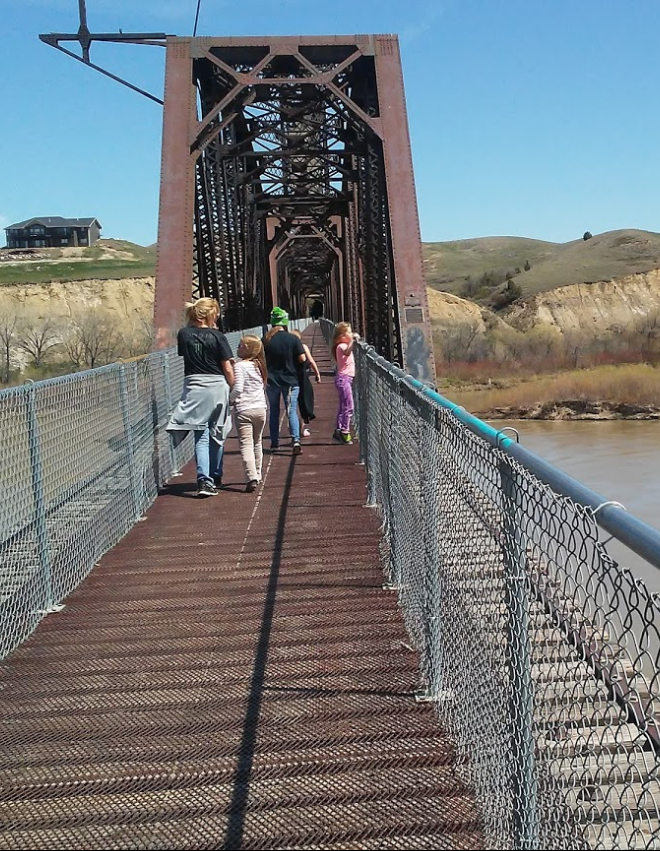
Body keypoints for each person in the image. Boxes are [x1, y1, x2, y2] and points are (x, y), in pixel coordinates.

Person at [166, 298, 234, 497]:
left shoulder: (184, 334)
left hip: (194, 387)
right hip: (217, 387)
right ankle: (216, 474)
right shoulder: (218, 336)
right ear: (210, 314)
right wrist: (232, 388)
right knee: (218, 433)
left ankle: (204, 480)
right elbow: (227, 368)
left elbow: (187, 354)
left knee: (200, 435)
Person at [263, 307, 306, 455]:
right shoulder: (292, 339)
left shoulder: (266, 340)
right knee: (291, 410)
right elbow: (302, 359)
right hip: (290, 381)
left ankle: (274, 443)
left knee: (274, 411)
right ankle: (295, 440)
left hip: (271, 381)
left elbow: (261, 360)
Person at [230, 335, 267, 493]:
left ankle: (251, 476)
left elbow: (238, 388)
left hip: (244, 409)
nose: (237, 347)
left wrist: (230, 400)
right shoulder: (259, 365)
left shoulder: (240, 366)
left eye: (240, 345)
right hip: (260, 408)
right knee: (257, 442)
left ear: (247, 349)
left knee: (246, 444)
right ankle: (258, 474)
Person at [331, 321, 360, 445]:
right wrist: (354, 340)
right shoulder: (341, 346)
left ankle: (339, 429)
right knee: (349, 406)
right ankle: (345, 431)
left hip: (344, 379)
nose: (351, 333)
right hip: (344, 379)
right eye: (348, 332)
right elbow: (348, 351)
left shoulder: (341, 346)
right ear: (341, 337)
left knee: (343, 406)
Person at [289, 328, 321, 437]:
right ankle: (302, 429)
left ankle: (294, 426)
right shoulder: (303, 347)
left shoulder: (288, 349)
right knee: (304, 402)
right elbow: (311, 361)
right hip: (303, 379)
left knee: (293, 405)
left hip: (291, 378)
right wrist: (317, 374)